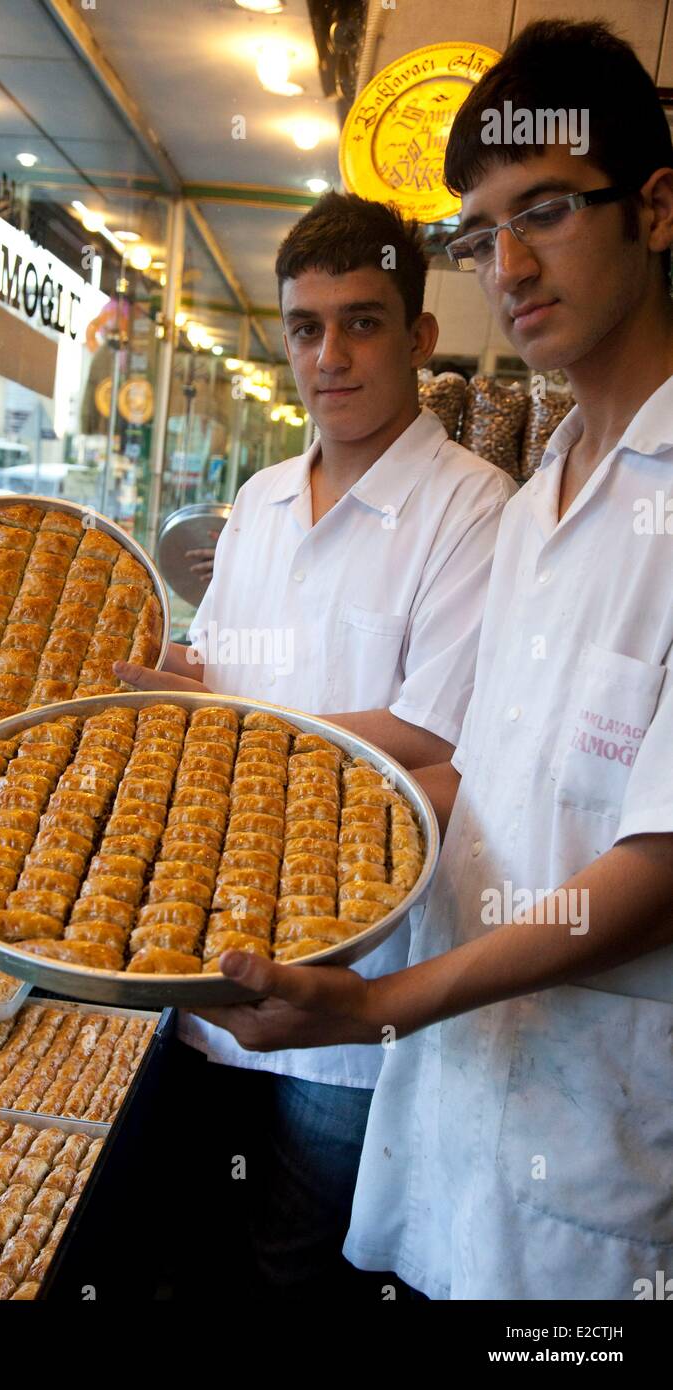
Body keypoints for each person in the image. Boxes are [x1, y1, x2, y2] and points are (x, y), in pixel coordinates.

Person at [195, 18, 673, 1301]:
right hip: (447, 1116)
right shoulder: (536, 513)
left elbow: (654, 864)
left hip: (599, 1181)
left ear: (656, 209)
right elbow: (479, 784)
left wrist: (380, 999)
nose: (507, 266)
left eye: (547, 213)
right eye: (481, 234)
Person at [116, 192, 515, 1295]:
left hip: (343, 997)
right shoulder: (256, 499)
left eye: (362, 321)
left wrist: (222, 728)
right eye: (305, 327)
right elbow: (223, 666)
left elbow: (427, 733)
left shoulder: (472, 510)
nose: (328, 355)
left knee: (293, 1274)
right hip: (197, 962)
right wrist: (163, 688)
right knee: (189, 1254)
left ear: (419, 336)